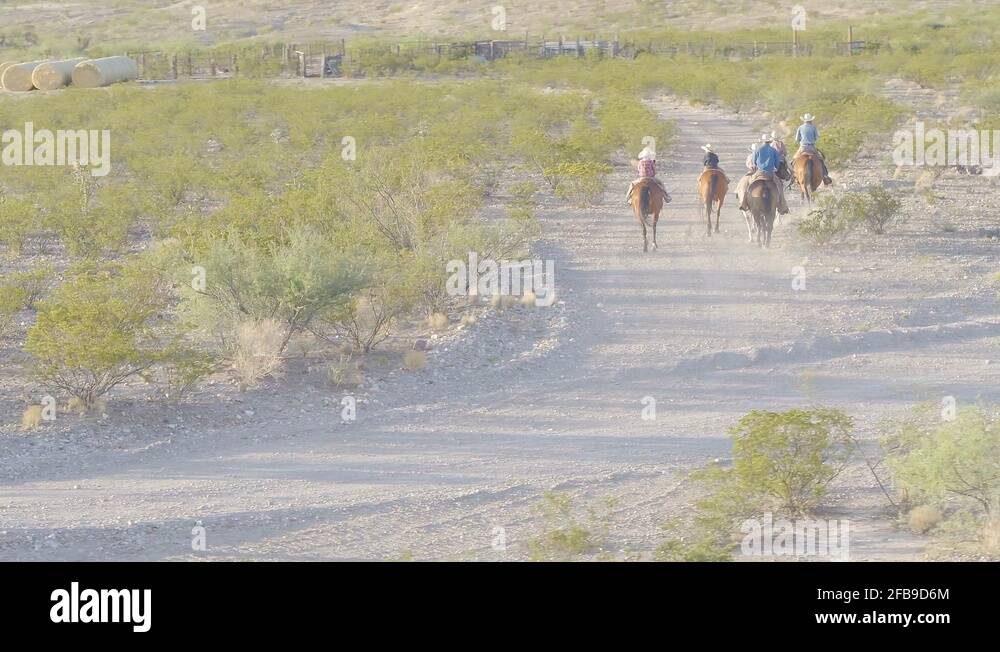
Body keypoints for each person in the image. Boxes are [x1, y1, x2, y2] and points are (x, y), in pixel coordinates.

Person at [739, 134, 789, 214]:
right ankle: (782, 205)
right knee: (779, 185)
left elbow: (754, 161)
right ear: (769, 141)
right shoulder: (774, 150)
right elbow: (777, 163)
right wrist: (773, 166)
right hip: (770, 173)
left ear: (762, 141)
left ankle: (744, 203)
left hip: (759, 172)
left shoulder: (757, 150)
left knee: (747, 184)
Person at [794, 113, 833, 185]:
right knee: (821, 160)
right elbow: (817, 137)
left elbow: (797, 139)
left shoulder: (800, 127)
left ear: (804, 120)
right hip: (812, 147)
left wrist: (801, 140)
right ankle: (825, 176)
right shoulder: (813, 127)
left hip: (802, 147)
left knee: (794, 160)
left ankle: (795, 176)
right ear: (810, 120)